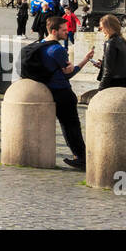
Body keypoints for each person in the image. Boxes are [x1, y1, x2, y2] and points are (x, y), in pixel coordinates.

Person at [27, 15, 94, 169]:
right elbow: (69, 74)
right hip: (63, 92)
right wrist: (83, 62)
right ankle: (82, 157)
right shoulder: (58, 49)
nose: (67, 31)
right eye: (64, 29)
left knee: (66, 126)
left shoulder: (41, 44)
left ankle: (79, 156)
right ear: (54, 31)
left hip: (48, 90)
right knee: (72, 127)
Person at [94, 14, 126, 91]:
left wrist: (100, 90)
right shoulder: (123, 41)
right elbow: (123, 64)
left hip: (115, 84)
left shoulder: (110, 43)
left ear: (108, 28)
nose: (100, 30)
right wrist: (103, 64)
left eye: (101, 27)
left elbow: (108, 72)